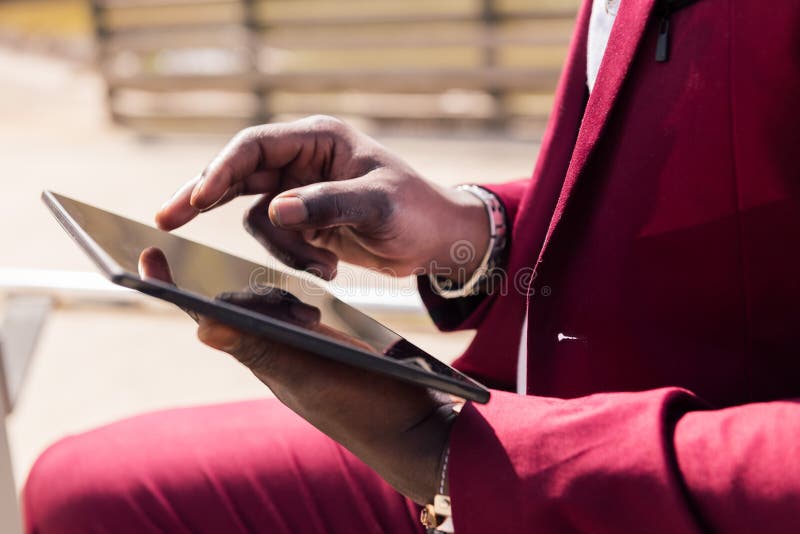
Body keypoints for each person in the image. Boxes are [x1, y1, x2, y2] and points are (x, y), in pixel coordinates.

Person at [23, 0, 800, 532]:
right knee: (79, 486)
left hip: (627, 483)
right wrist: (467, 234)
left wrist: (443, 455)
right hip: (545, 425)